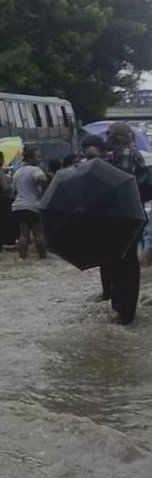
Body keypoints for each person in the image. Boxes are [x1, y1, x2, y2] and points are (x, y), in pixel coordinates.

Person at [100, 122, 146, 325]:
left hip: (124, 217)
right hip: (128, 216)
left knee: (125, 264)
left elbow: (119, 183)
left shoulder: (125, 153)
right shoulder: (120, 153)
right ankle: (122, 308)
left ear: (118, 136)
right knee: (122, 263)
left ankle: (125, 313)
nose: (106, 137)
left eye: (109, 134)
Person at [11, 146, 49, 260]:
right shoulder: (35, 170)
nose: (39, 158)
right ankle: (43, 258)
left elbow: (13, 190)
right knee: (38, 233)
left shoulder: (17, 172)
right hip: (32, 205)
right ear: (31, 158)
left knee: (23, 234)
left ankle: (22, 258)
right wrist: (42, 192)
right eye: (37, 156)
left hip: (18, 206)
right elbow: (43, 179)